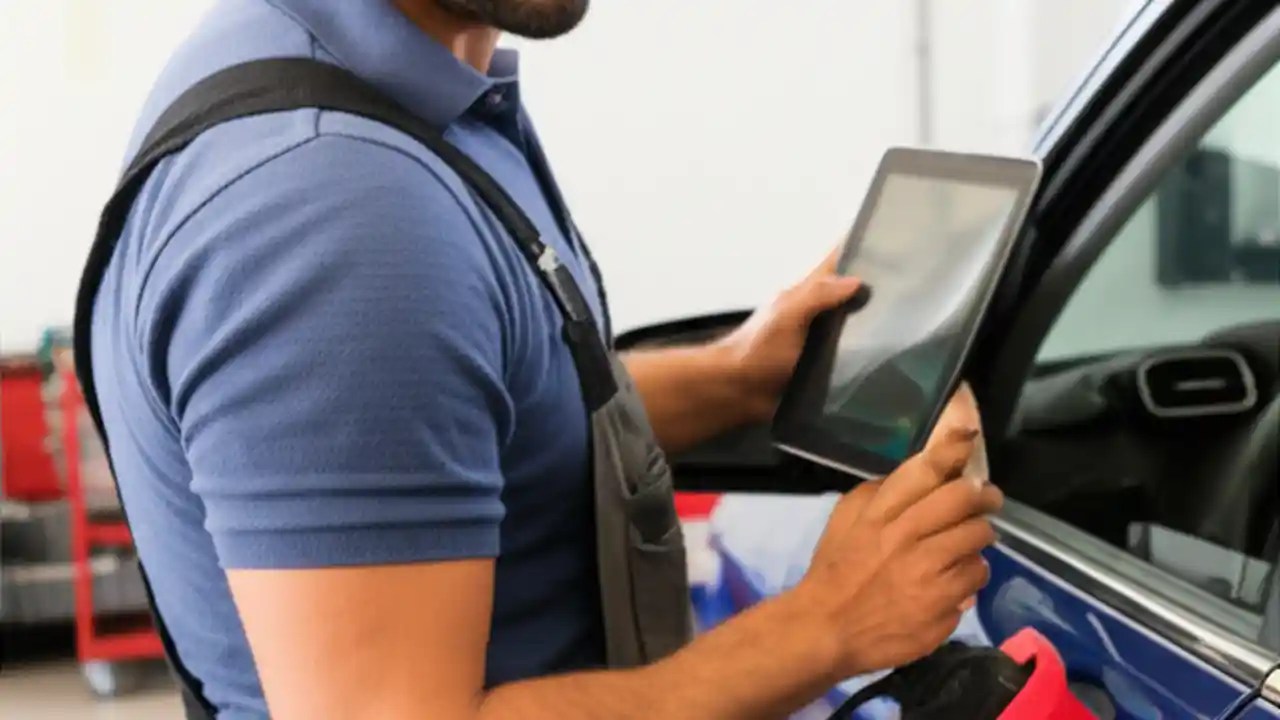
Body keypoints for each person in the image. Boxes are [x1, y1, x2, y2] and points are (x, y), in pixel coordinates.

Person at [83, 1, 1003, 718]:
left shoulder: (366, 84)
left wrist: (737, 375)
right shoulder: (338, 207)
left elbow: (466, 424)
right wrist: (828, 622)